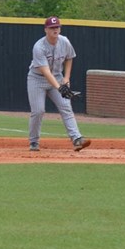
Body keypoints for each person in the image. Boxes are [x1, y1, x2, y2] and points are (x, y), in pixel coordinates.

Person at [27, 15, 91, 152]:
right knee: (38, 111)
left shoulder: (64, 41)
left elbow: (69, 58)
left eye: (57, 27)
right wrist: (60, 87)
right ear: (46, 30)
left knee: (65, 106)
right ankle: (33, 142)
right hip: (37, 79)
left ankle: (77, 138)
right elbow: (45, 72)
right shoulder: (39, 47)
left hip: (57, 76)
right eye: (52, 27)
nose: (55, 29)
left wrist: (66, 78)